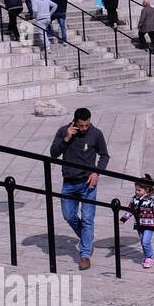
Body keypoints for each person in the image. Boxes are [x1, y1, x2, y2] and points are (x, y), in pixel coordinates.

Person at [49, 107, 110, 270]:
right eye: (81, 125)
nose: (84, 128)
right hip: (69, 182)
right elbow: (53, 153)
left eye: (87, 125)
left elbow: (104, 155)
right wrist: (66, 138)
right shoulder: (64, 131)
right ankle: (87, 240)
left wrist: (97, 173)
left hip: (88, 184)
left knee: (88, 219)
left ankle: (84, 255)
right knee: (69, 216)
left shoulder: (96, 134)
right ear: (75, 122)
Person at [119, 174, 154, 269]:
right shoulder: (134, 199)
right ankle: (146, 256)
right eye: (136, 190)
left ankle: (149, 258)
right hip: (139, 224)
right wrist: (123, 219)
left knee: (146, 241)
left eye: (139, 190)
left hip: (149, 224)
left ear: (146, 190)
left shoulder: (153, 200)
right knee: (143, 241)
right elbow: (130, 210)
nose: (136, 192)